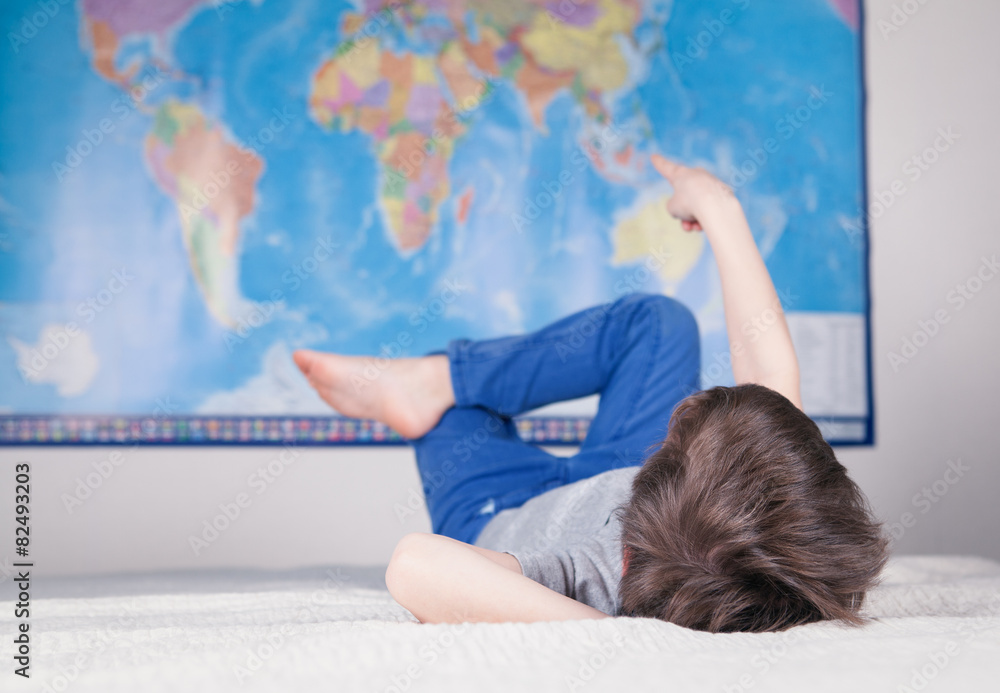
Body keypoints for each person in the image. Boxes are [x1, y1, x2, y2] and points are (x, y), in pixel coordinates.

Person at [292, 155, 889, 632]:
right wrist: (716, 205)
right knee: (659, 324)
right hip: (631, 480)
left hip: (501, 511)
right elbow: (769, 380)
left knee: (458, 406)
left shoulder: (597, 579)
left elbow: (417, 566)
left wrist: (612, 636)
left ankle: (434, 382)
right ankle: (440, 377)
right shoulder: (794, 541)